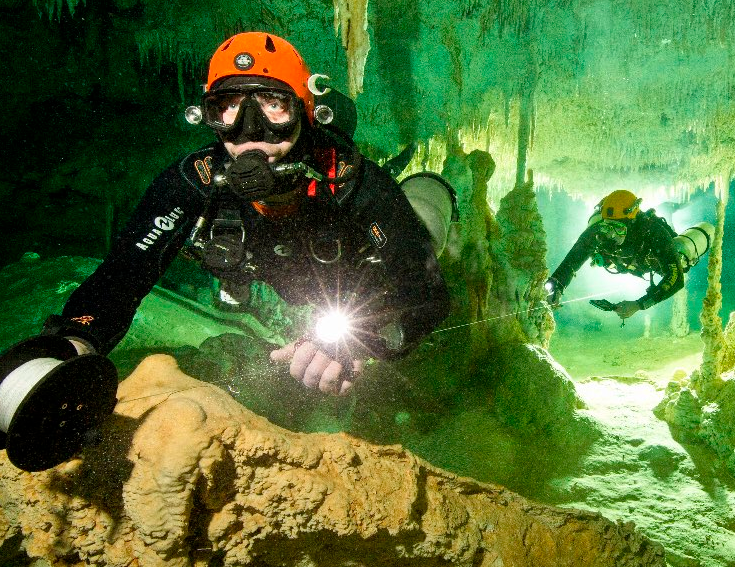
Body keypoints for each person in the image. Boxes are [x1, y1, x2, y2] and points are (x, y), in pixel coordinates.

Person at [42, 31, 454, 396]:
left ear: (305, 112)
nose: (251, 130)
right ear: (210, 117)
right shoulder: (197, 179)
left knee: (422, 231)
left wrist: (355, 341)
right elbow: (123, 274)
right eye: (229, 107)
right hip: (279, 277)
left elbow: (425, 292)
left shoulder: (349, 180)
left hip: (348, 284)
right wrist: (74, 340)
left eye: (273, 104)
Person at [544, 189, 713, 322]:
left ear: (631, 222)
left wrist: (639, 305)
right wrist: (557, 285)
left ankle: (674, 213)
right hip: (619, 263)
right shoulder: (597, 231)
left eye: (618, 229)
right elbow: (572, 259)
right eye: (607, 227)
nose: (611, 236)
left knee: (680, 261)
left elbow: (676, 279)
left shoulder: (653, 232)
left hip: (648, 262)